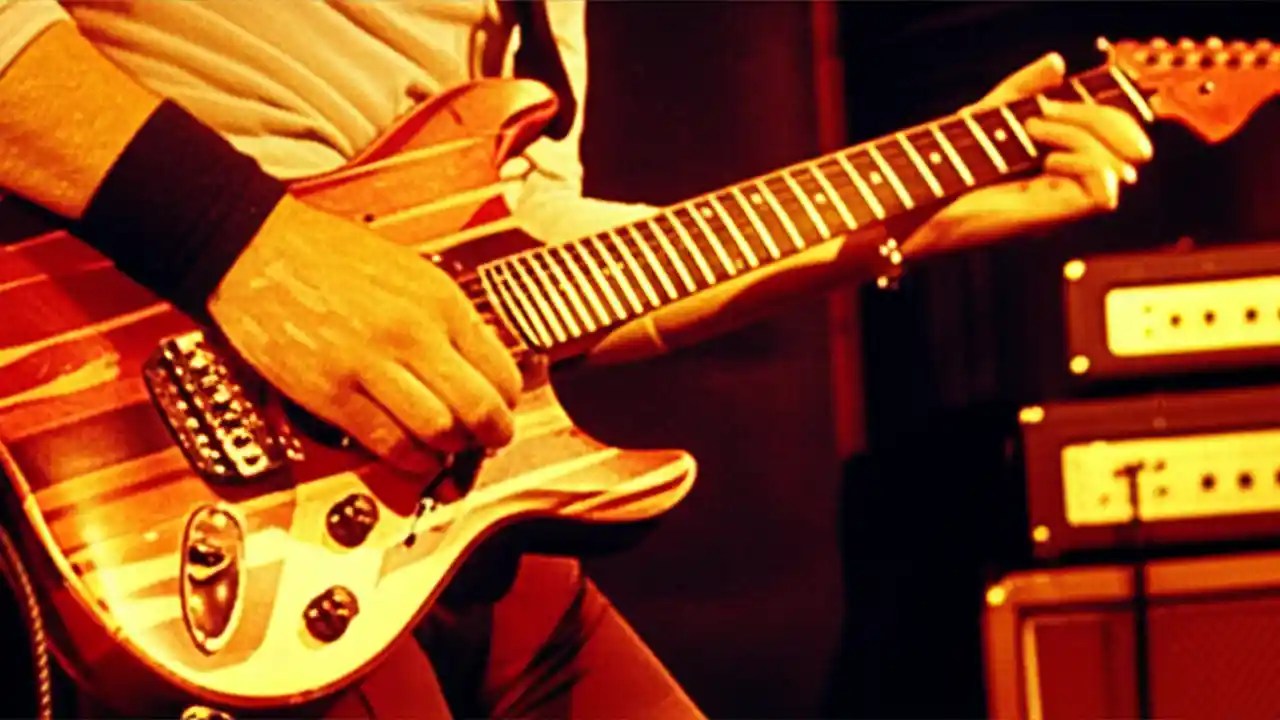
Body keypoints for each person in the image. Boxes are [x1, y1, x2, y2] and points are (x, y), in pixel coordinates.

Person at [0, 1, 1153, 717]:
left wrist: (895, 220)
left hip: (417, 506)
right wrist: (246, 248)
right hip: (139, 430)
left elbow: (536, 249)